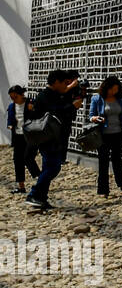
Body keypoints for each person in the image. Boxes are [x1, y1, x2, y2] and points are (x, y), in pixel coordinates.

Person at [26, 69, 83, 213]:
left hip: (53, 137)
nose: (67, 85)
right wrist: (72, 106)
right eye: (65, 82)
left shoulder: (54, 95)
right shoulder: (46, 96)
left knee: (50, 167)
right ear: (56, 82)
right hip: (48, 138)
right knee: (53, 167)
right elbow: (57, 112)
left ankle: (41, 198)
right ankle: (34, 194)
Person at [89, 75, 122, 197]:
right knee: (103, 162)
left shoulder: (121, 99)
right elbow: (91, 115)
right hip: (103, 136)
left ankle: (121, 183)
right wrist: (95, 118)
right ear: (107, 88)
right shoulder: (97, 99)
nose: (114, 91)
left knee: (117, 160)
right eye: (112, 89)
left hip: (118, 134)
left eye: (116, 89)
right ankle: (103, 190)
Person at [6, 85, 39, 195]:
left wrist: (33, 109)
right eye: (11, 97)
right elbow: (10, 119)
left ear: (21, 94)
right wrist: (10, 125)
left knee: (28, 158)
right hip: (18, 136)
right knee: (17, 160)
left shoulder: (30, 102)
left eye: (15, 97)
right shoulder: (12, 106)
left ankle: (40, 178)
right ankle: (21, 186)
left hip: (30, 136)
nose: (13, 99)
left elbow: (38, 116)